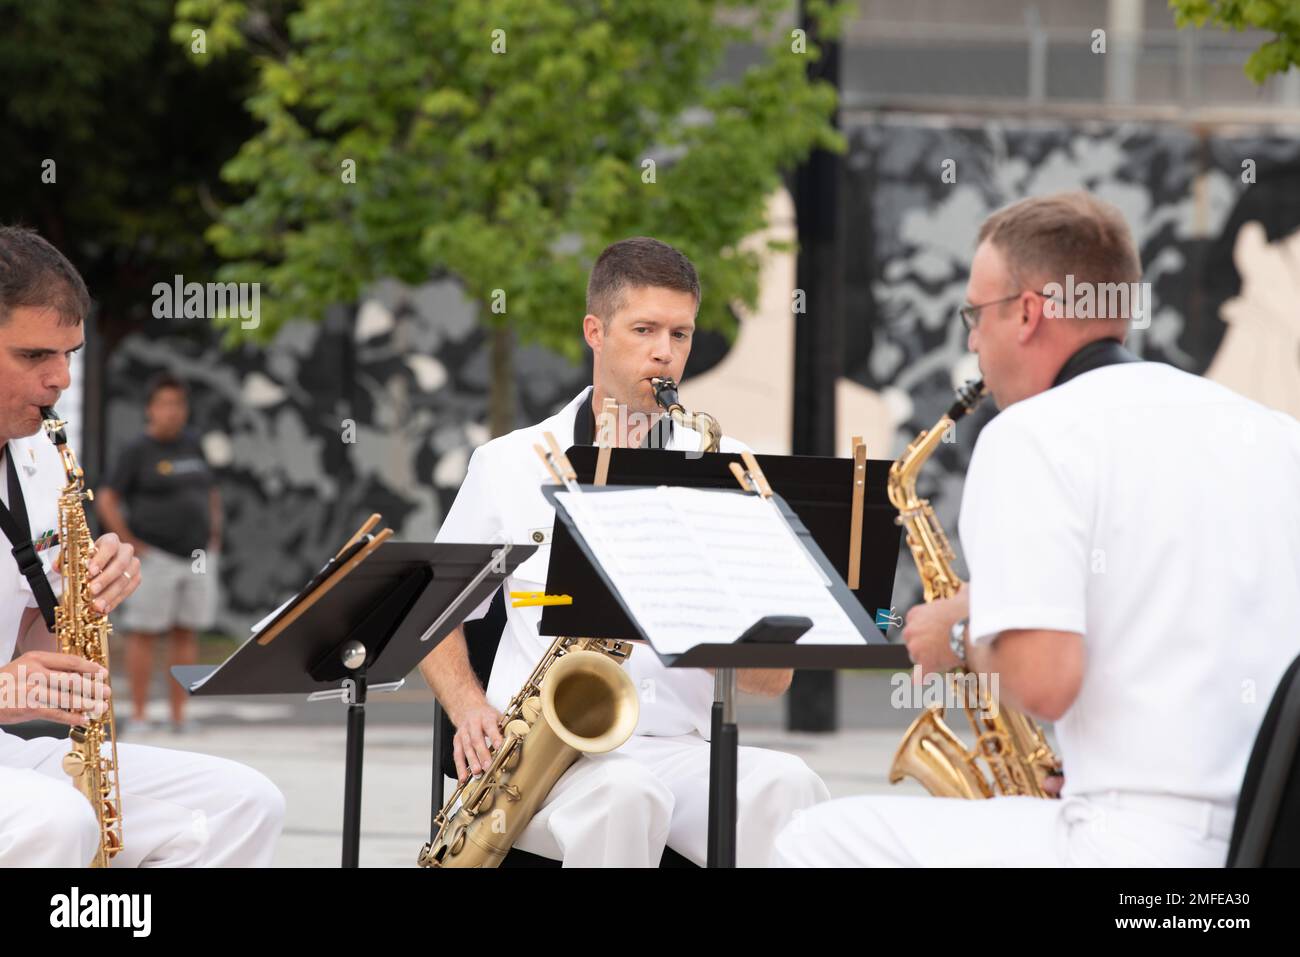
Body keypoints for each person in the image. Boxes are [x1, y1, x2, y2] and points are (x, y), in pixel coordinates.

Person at [774, 191, 1300, 867]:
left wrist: (960, 632)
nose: (971, 339)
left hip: (1136, 852)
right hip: (1258, 843)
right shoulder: (1275, 435)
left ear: (1027, 313)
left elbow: (1043, 680)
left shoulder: (1033, 436)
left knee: (811, 838)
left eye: (975, 314)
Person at [420, 237, 828, 867]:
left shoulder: (730, 468)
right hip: (547, 756)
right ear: (596, 331)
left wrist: (729, 621)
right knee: (626, 795)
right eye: (644, 329)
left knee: (791, 785)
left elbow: (770, 683)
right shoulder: (508, 463)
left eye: (681, 334)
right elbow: (436, 611)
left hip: (677, 745)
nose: (666, 353)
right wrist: (468, 708)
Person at [0, 225, 283, 866]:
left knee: (245, 803)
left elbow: (39, 657)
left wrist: (87, 602)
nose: (60, 380)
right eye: (34, 356)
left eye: (70, 354)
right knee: (55, 821)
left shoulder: (41, 461)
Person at [98, 373, 221, 733]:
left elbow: (210, 492)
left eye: (178, 404)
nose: (172, 411)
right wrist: (129, 541)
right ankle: (138, 715)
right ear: (151, 409)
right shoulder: (137, 451)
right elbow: (107, 497)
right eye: (164, 404)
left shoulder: (193, 445)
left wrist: (214, 533)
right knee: (145, 633)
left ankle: (180, 716)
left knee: (187, 634)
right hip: (156, 557)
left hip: (197, 558)